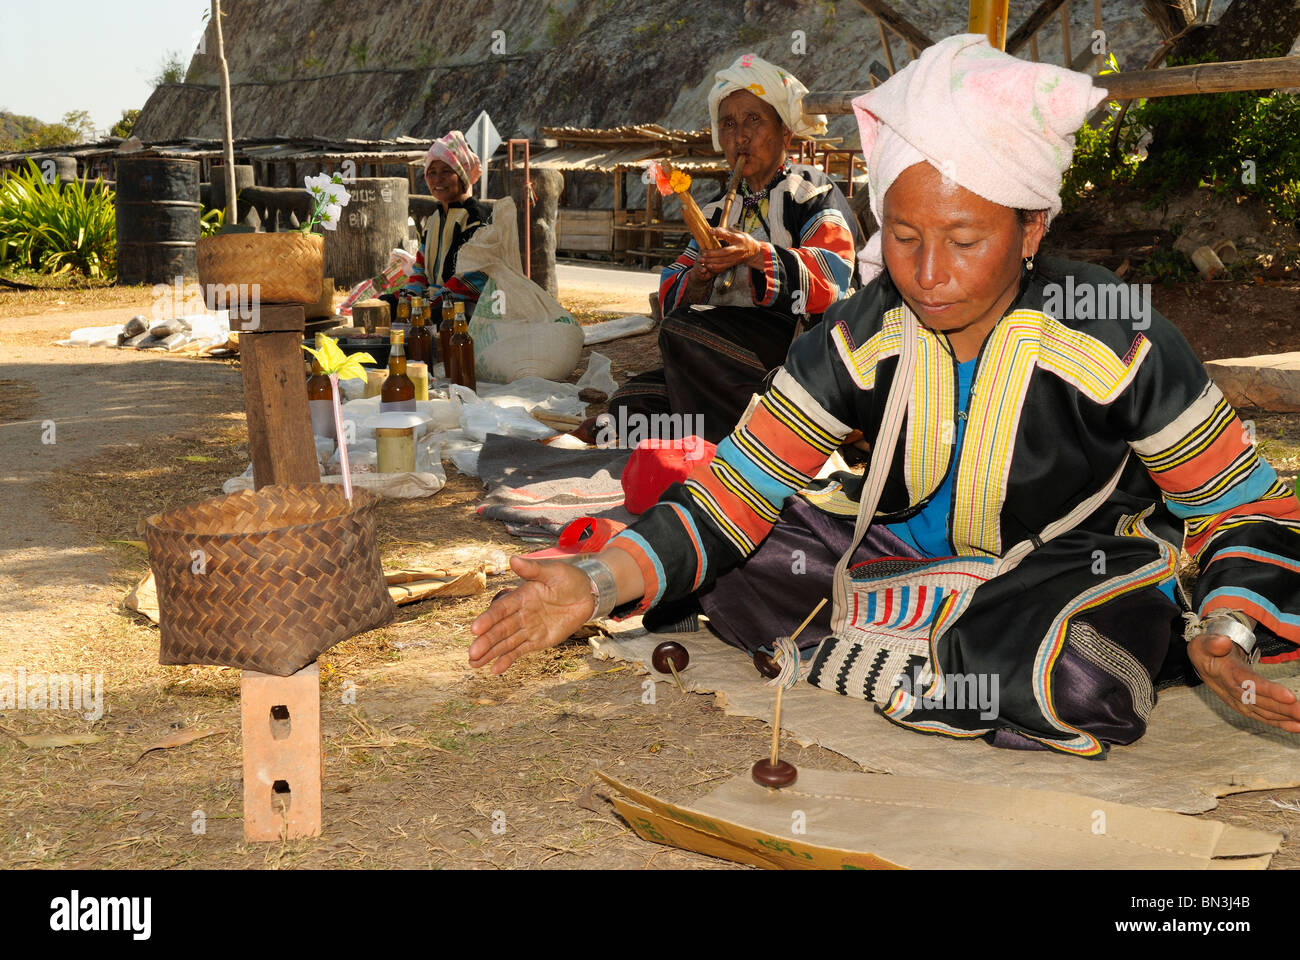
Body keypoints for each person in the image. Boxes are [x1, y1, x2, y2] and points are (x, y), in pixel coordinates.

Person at [470, 35, 1300, 757]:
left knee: (1068, 663)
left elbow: (1240, 504)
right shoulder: (862, 332)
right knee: (736, 565)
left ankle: (930, 650)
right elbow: (740, 487)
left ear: (1034, 229)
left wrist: (1226, 628)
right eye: (903, 237)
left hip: (1064, 575)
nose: (928, 274)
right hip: (899, 562)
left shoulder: (1115, 332)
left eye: (965, 240)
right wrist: (597, 583)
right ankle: (934, 653)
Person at [606, 54, 857, 446]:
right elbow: (673, 290)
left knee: (686, 332)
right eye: (728, 124)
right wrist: (698, 279)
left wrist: (757, 254)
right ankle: (757, 433)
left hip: (797, 356)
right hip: (725, 359)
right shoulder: (712, 210)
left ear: (785, 134)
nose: (741, 136)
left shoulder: (811, 191)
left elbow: (837, 280)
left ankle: (775, 438)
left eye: (754, 120)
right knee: (626, 406)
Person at [383, 130, 492, 318]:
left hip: (469, 307)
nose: (437, 179)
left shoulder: (476, 218)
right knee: (387, 305)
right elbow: (420, 271)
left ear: (462, 175)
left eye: (446, 171)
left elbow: (474, 279)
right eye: (431, 173)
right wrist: (404, 298)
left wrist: (425, 306)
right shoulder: (434, 220)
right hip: (436, 303)